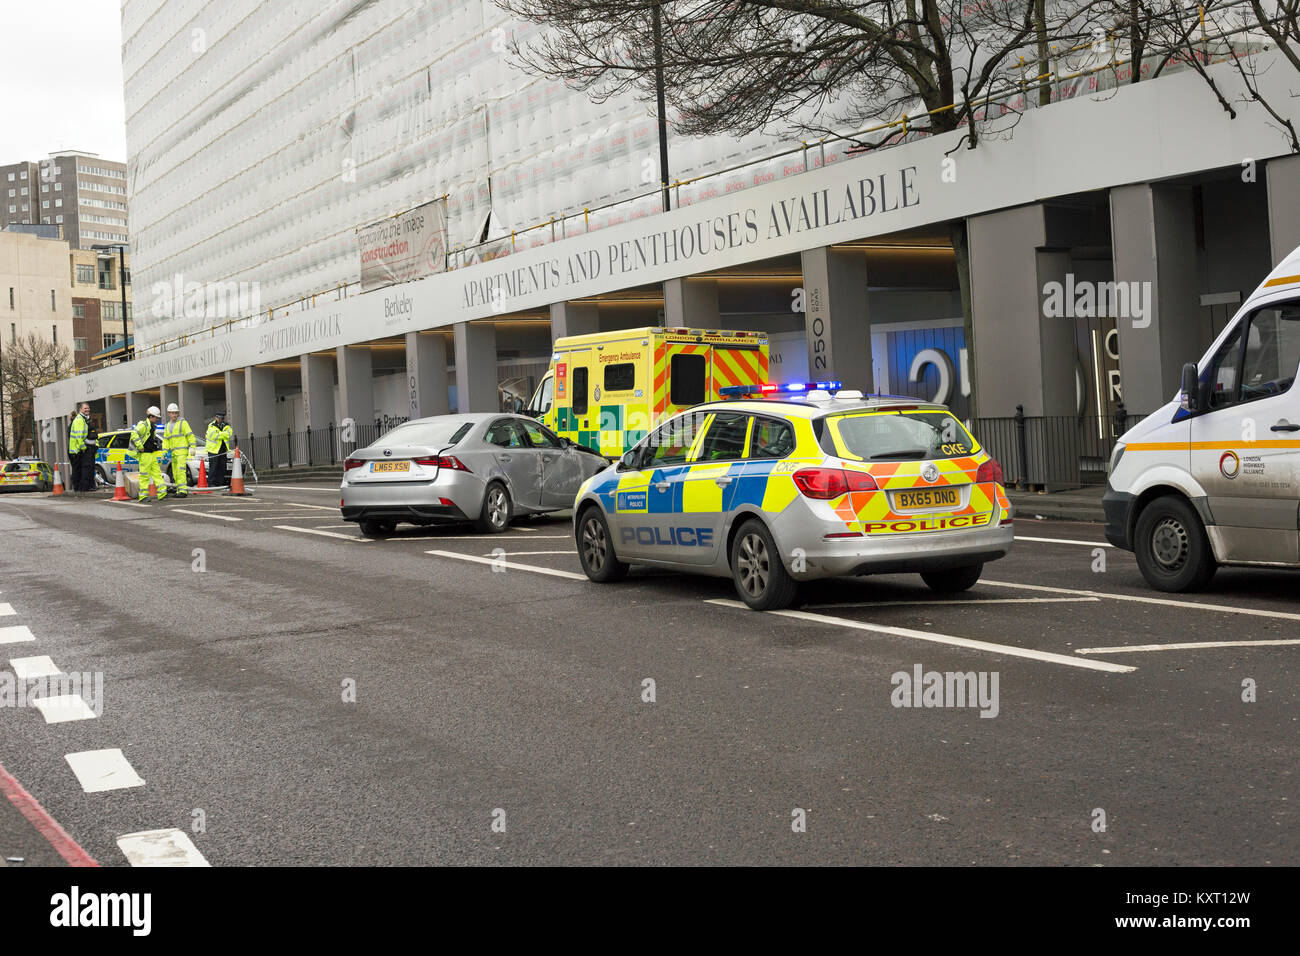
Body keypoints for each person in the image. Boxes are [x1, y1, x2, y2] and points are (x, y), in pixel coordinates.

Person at [130, 406, 167, 502]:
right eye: (156, 417)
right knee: (144, 475)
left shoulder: (152, 426)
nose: (157, 419)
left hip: (151, 453)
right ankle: (143, 496)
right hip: (145, 454)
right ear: (151, 416)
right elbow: (134, 434)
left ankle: (162, 493)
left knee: (157, 473)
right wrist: (140, 446)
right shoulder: (143, 425)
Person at [162, 403, 197, 497]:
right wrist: (164, 451)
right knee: (175, 472)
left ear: (178, 413)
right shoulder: (167, 426)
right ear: (168, 414)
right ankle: (179, 489)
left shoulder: (183, 423)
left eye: (175, 413)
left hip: (181, 452)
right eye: (172, 413)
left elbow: (190, 435)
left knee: (181, 471)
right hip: (173, 453)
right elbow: (166, 440)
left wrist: (193, 446)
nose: (174, 415)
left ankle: (183, 491)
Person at [68, 403, 98, 492]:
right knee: (80, 469)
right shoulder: (79, 420)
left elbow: (92, 434)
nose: (87, 410)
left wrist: (96, 445)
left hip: (82, 449)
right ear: (80, 409)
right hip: (77, 450)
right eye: (85, 408)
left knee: (85, 468)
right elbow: (79, 436)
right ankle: (80, 488)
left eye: (88, 408)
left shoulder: (86, 419)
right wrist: (83, 448)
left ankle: (84, 487)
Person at [205, 410, 235, 487]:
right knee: (213, 467)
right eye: (218, 418)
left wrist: (219, 434)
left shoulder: (226, 425)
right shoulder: (211, 425)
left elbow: (229, 434)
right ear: (216, 417)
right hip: (213, 450)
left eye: (222, 418)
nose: (220, 419)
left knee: (222, 467)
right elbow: (214, 436)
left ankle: (219, 483)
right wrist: (222, 434)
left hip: (223, 449)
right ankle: (211, 483)